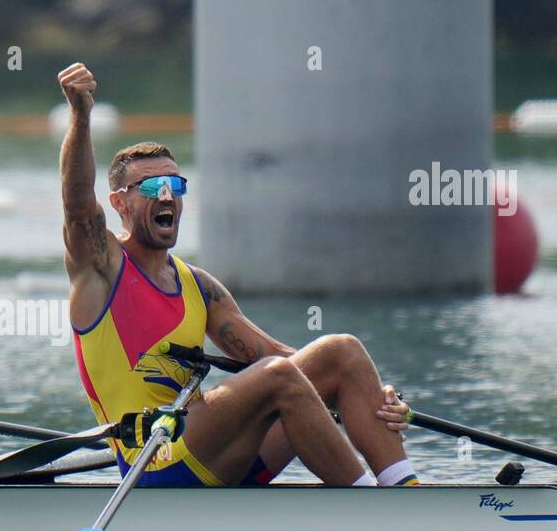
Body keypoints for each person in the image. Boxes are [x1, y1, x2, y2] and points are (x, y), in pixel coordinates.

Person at [57, 62, 420, 489]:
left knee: (342, 352)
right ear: (119, 203)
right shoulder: (102, 267)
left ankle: (404, 490)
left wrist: (371, 393)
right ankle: (373, 509)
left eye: (176, 185)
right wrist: (81, 114)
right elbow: (79, 208)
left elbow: (274, 355)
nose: (168, 195)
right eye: (153, 188)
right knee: (276, 378)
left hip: (214, 453)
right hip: (154, 464)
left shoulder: (200, 287)